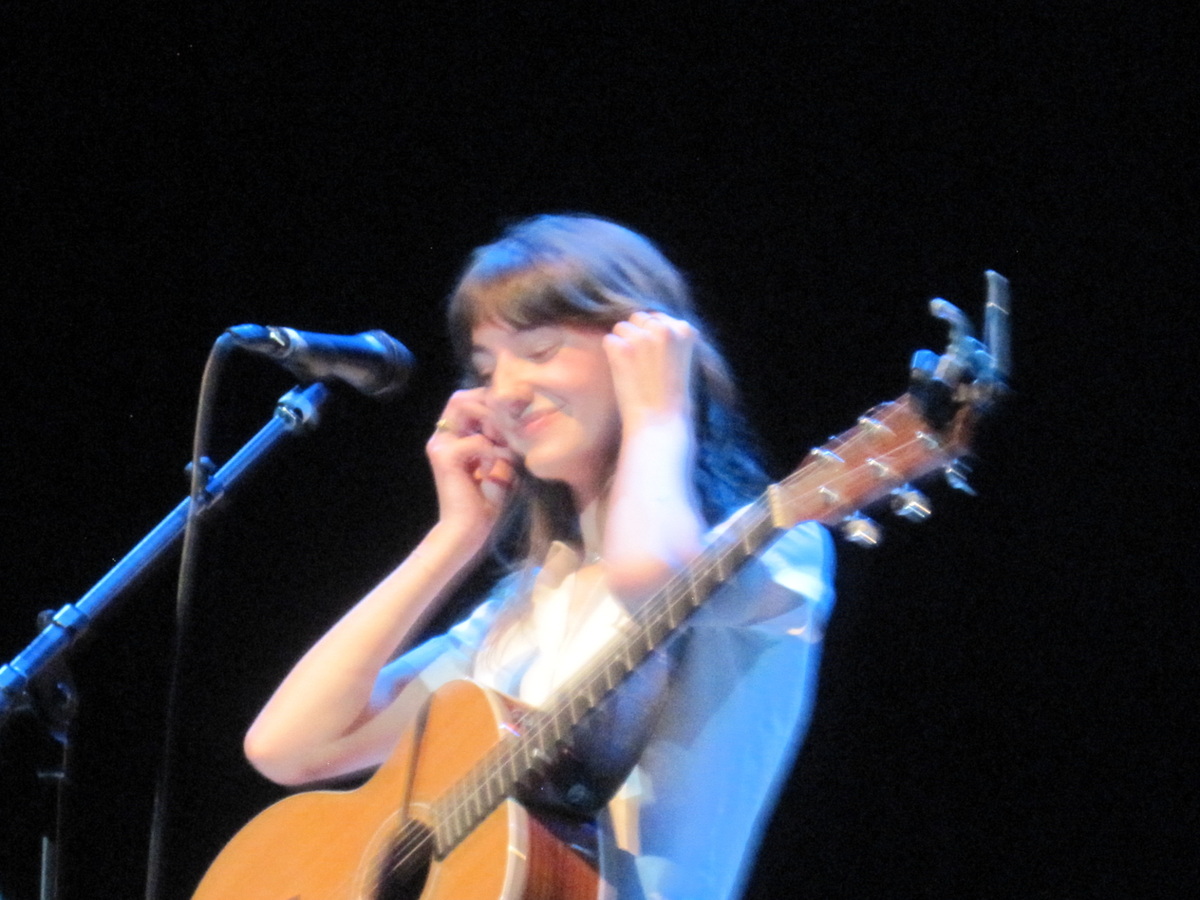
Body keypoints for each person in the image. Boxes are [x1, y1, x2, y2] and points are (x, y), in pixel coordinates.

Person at [242, 213, 836, 900]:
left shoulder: (772, 548)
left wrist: (659, 414)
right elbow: (289, 746)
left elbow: (650, 578)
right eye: (488, 368)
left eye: (542, 350)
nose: (507, 392)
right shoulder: (527, 605)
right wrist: (454, 539)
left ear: (642, 348)